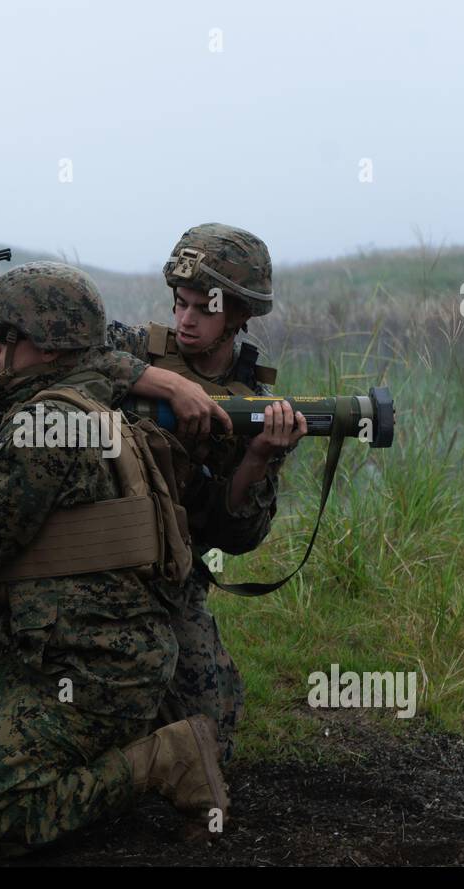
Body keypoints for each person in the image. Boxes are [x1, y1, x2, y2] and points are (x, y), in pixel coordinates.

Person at [0, 260, 228, 852]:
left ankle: (165, 758)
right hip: (56, 639)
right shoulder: (82, 400)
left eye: (5, 334)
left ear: (47, 346)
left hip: (94, 667)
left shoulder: (46, 425)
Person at [105, 223, 306, 761]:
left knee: (207, 736)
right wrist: (169, 384)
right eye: (180, 303)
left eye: (205, 308)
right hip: (96, 551)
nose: (186, 320)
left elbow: (234, 535)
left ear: (240, 315)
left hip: (169, 570)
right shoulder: (129, 349)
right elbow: (72, 358)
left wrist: (260, 457)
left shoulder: (257, 404)